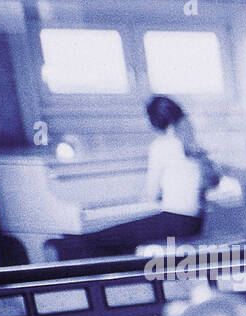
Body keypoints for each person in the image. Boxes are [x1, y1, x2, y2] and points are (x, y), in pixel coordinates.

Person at [49, 95, 213, 259]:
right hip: (194, 223)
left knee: (98, 239)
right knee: (117, 236)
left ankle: (70, 264)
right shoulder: (190, 143)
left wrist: (128, 206)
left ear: (154, 121)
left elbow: (151, 194)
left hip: (174, 222)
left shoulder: (161, 145)